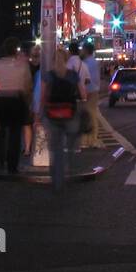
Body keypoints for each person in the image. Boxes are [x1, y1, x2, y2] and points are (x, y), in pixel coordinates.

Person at [40, 44, 83, 193]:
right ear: (67, 59)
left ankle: (57, 179)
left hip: (52, 113)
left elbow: (43, 96)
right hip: (70, 112)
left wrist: (40, 113)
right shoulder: (72, 74)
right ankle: (69, 169)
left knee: (55, 148)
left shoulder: (48, 75)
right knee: (71, 144)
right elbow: (83, 94)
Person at [0, 38, 31, 175]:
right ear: (15, 50)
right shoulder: (22, 65)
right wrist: (27, 102)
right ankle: (12, 166)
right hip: (16, 99)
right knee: (15, 134)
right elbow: (27, 86)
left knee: (0, 134)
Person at [77, 41, 102, 149]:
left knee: (86, 116)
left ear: (86, 50)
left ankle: (87, 140)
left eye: (82, 49)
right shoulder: (95, 62)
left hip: (87, 92)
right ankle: (92, 139)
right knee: (92, 115)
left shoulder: (85, 63)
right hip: (94, 91)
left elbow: (86, 79)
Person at [23, 43, 42, 155]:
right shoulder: (44, 67)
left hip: (31, 97)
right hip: (35, 97)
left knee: (28, 124)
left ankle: (28, 148)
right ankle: (31, 147)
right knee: (33, 123)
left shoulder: (28, 67)